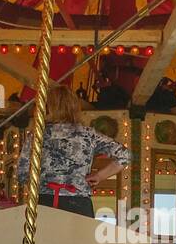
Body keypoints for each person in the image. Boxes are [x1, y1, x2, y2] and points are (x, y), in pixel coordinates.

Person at [15, 84, 130, 218]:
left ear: (49, 107)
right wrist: (99, 176)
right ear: (75, 107)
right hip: (78, 203)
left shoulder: (37, 135)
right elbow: (124, 155)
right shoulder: (88, 135)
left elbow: (22, 174)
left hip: (44, 202)